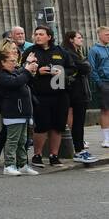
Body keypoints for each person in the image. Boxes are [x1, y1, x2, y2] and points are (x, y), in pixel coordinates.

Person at [0, 46, 39, 176]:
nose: (14, 63)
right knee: (12, 141)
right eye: (11, 61)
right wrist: (27, 69)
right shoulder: (1, 75)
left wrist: (28, 64)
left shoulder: (11, 72)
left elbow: (21, 73)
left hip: (22, 113)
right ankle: (9, 165)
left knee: (22, 141)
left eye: (15, 61)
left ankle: (22, 164)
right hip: (13, 112)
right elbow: (17, 81)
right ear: (2, 62)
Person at [28, 25, 70, 166]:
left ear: (49, 37)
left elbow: (72, 69)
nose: (37, 37)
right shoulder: (31, 51)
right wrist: (37, 72)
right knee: (41, 126)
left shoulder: (61, 51)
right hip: (40, 95)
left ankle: (54, 155)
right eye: (36, 34)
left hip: (60, 94)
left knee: (58, 126)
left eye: (41, 34)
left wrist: (62, 72)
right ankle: (37, 155)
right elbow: (22, 70)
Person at [62, 31, 94, 163]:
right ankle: (79, 150)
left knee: (79, 123)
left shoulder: (78, 52)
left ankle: (80, 148)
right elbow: (84, 68)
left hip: (80, 90)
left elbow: (87, 67)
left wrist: (84, 66)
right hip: (75, 91)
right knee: (77, 122)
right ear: (71, 39)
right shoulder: (69, 53)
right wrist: (84, 66)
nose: (81, 40)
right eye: (79, 37)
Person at [91, 25, 109, 149]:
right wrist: (100, 83)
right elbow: (92, 68)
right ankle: (106, 139)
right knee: (105, 110)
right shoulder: (94, 50)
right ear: (100, 35)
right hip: (104, 82)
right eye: (107, 34)